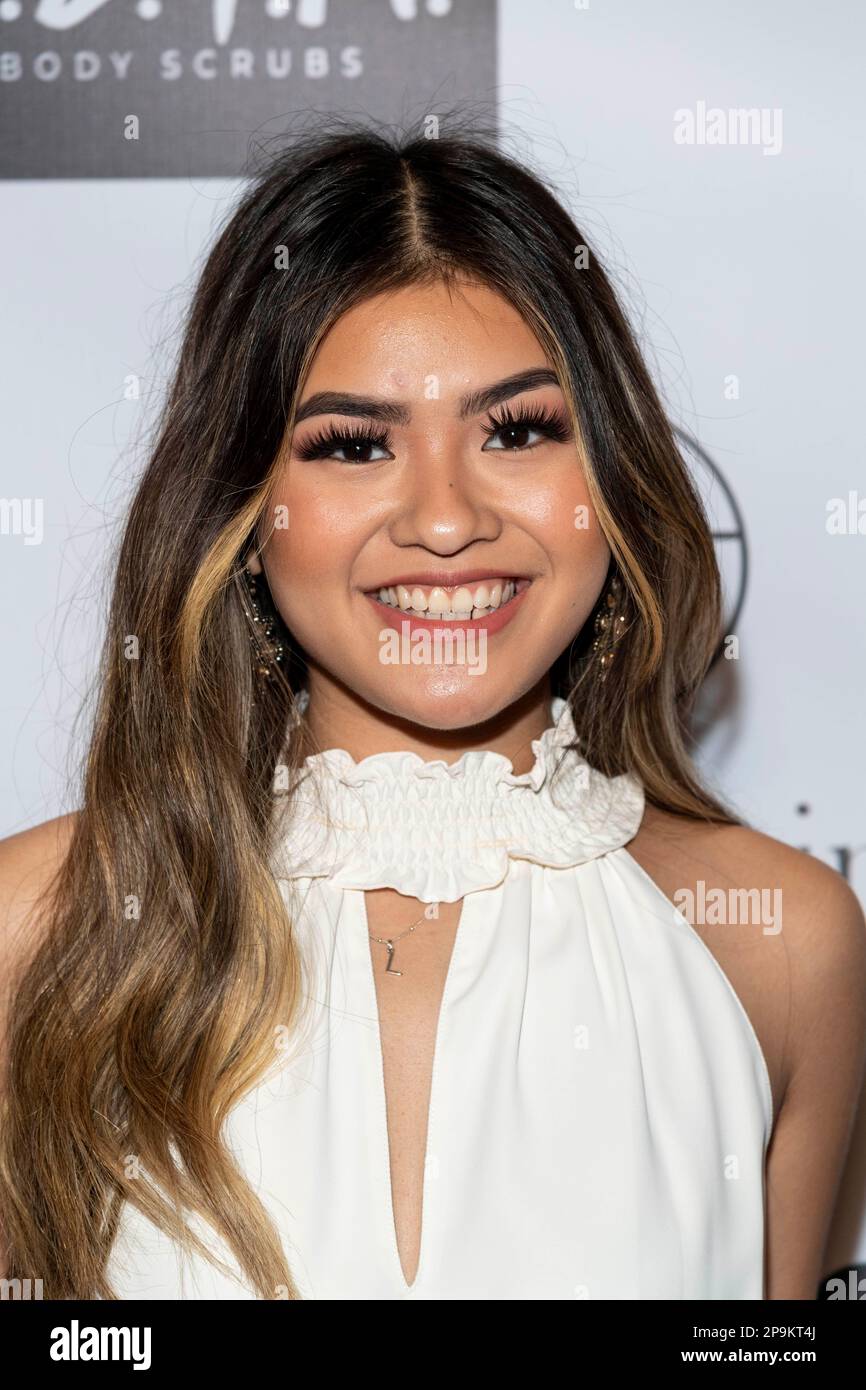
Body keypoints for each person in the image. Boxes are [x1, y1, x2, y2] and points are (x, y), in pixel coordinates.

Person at [1, 118, 864, 1301]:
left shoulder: (778, 944)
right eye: (353, 445)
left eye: (515, 430)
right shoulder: (38, 932)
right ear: (247, 512)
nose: (445, 518)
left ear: (605, 479)